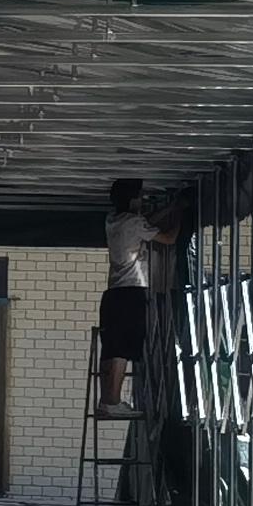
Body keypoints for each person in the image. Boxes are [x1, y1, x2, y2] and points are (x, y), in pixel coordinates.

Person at [98, 178, 164, 415]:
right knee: (123, 350)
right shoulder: (134, 222)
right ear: (134, 199)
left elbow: (143, 223)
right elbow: (168, 238)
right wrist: (178, 215)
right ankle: (113, 403)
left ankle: (107, 401)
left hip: (114, 293)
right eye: (140, 196)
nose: (142, 200)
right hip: (132, 290)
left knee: (111, 348)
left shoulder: (113, 220)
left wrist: (167, 210)